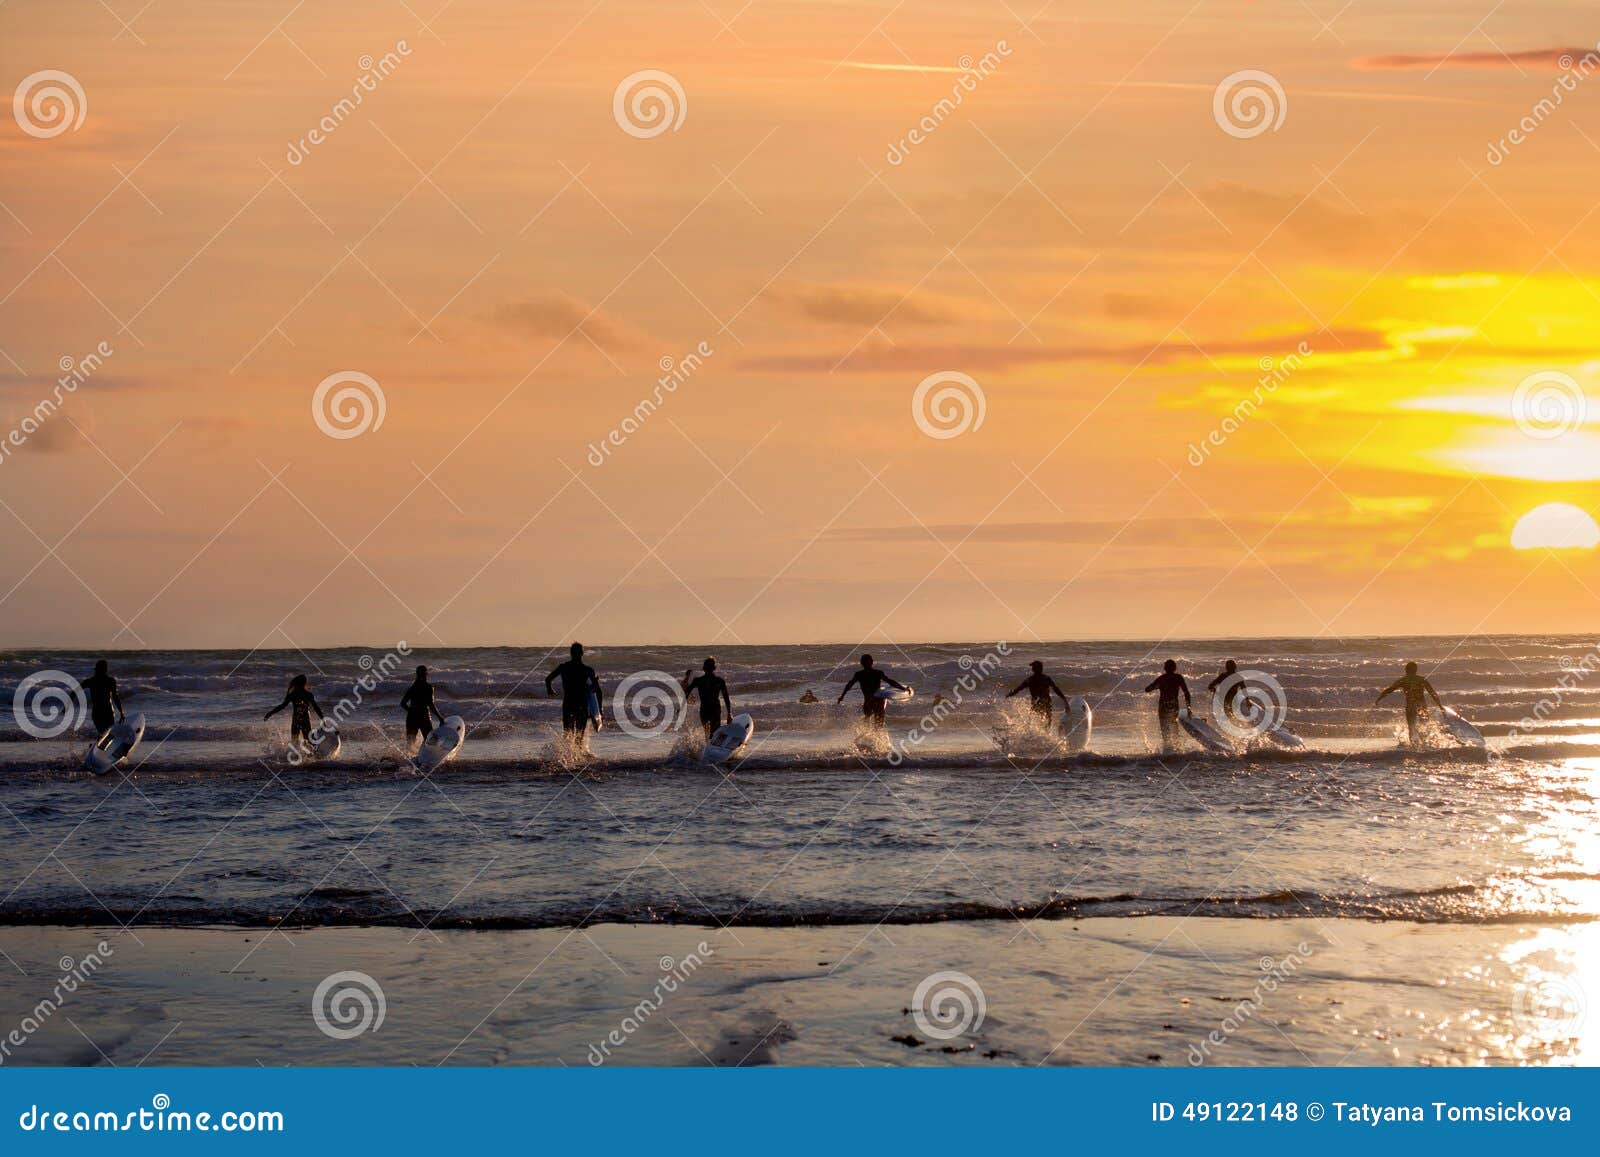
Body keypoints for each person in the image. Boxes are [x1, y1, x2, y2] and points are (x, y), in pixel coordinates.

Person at [1375, 661, 1443, 747]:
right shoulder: (1422, 679)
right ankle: (1426, 744)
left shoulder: (1403, 680)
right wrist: (1440, 705)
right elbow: (1432, 693)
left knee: (1411, 727)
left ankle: (1413, 746)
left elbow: (1390, 689)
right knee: (1425, 725)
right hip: (1422, 706)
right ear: (1416, 670)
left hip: (1411, 706)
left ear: (1406, 669)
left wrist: (1380, 698)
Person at [838, 654, 908, 731]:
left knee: (867, 719)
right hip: (879, 701)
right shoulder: (877, 673)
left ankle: (865, 738)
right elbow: (890, 682)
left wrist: (842, 696)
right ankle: (876, 740)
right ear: (872, 662)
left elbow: (849, 685)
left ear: (861, 663)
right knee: (878, 724)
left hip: (868, 701)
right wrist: (902, 688)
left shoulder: (859, 674)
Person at [546, 643, 601, 739]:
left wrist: (550, 689)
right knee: (579, 737)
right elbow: (597, 690)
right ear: (582, 653)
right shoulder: (587, 670)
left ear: (571, 653)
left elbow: (548, 679)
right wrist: (599, 710)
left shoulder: (564, 667)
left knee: (567, 734)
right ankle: (578, 753)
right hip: (582, 705)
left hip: (568, 703)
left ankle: (567, 754)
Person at [265, 674, 326, 748]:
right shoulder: (308, 694)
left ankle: (295, 756)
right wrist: (323, 719)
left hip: (296, 719)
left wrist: (270, 713)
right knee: (309, 741)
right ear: (305, 683)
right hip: (305, 719)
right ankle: (313, 755)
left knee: (294, 742)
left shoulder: (293, 694)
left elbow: (282, 706)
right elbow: (316, 708)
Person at [1144, 659, 1192, 752]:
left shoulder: (1161, 678)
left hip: (1163, 706)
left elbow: (1147, 689)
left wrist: (1157, 686)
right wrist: (1189, 708)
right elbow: (1187, 693)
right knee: (1174, 726)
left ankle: (1167, 750)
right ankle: (1177, 749)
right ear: (1175, 668)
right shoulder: (1178, 677)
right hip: (1174, 705)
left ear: (1165, 668)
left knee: (1164, 729)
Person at [1007, 660, 1069, 726]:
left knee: (1037, 722)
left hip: (1036, 704)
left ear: (1034, 669)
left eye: (1033, 667)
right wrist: (1064, 700)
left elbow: (1018, 689)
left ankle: (1039, 734)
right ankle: (1047, 733)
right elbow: (1056, 689)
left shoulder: (1030, 680)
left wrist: (1009, 695)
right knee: (1048, 721)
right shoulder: (1046, 679)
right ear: (1041, 669)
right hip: (1046, 702)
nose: (1032, 668)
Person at [683, 658, 733, 740]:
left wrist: (682, 708)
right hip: (715, 709)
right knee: (715, 732)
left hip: (704, 710)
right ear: (714, 668)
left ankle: (708, 749)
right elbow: (726, 698)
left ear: (703, 668)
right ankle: (714, 749)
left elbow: (686, 693)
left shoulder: (698, 681)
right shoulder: (719, 681)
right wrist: (729, 713)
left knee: (707, 733)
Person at [400, 665, 445, 751]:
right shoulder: (428, 688)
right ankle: (427, 756)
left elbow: (402, 703)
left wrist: (411, 711)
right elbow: (431, 705)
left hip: (412, 717)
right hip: (423, 715)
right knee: (430, 739)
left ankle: (410, 759)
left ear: (417, 674)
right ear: (426, 674)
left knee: (410, 742)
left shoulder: (413, 687)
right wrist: (440, 718)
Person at [82, 659, 123, 736]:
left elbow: (115, 696)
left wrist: (121, 712)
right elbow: (115, 696)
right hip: (102, 713)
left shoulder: (92, 681)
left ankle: (100, 744)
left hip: (105, 713)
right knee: (106, 734)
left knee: (106, 733)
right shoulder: (108, 681)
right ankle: (99, 745)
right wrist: (121, 713)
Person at [1207, 659, 1243, 726]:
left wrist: (1215, 691)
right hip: (1232, 701)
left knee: (1228, 715)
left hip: (1223, 700)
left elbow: (1210, 686)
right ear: (1235, 667)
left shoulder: (1223, 676)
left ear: (1226, 668)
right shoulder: (1238, 677)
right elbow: (1244, 689)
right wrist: (1247, 701)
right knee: (1231, 716)